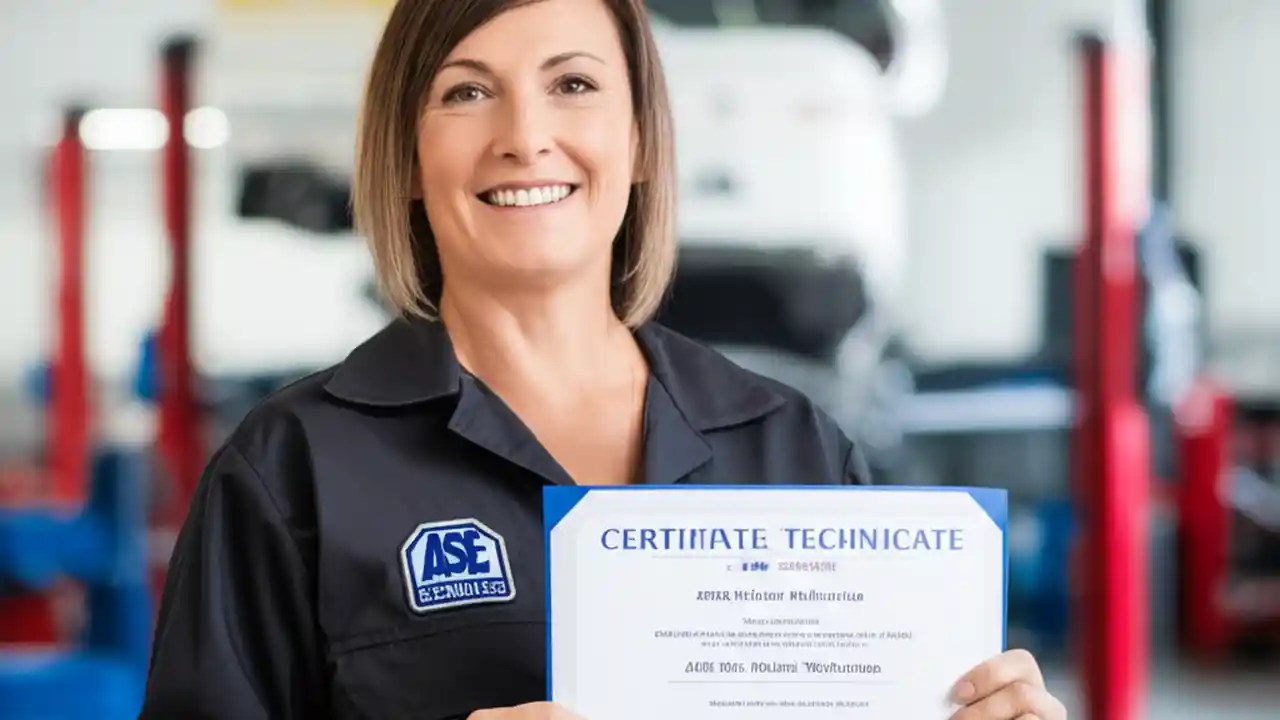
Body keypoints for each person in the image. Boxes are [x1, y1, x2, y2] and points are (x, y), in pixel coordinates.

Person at [140, 0, 1067, 718]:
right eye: (467, 90)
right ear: (409, 154)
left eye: (573, 85)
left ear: (637, 143)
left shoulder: (796, 451)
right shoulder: (290, 474)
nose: (523, 135)